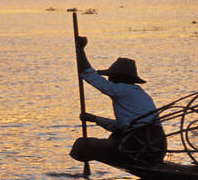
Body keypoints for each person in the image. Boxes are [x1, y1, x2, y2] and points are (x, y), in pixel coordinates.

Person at [68, 36, 168, 166]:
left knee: (82, 145)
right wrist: (95, 119)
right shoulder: (138, 93)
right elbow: (122, 127)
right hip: (156, 148)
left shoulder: (122, 89)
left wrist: (80, 49)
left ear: (118, 77)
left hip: (140, 146)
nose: (109, 79)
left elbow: (87, 74)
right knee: (109, 139)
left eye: (111, 76)